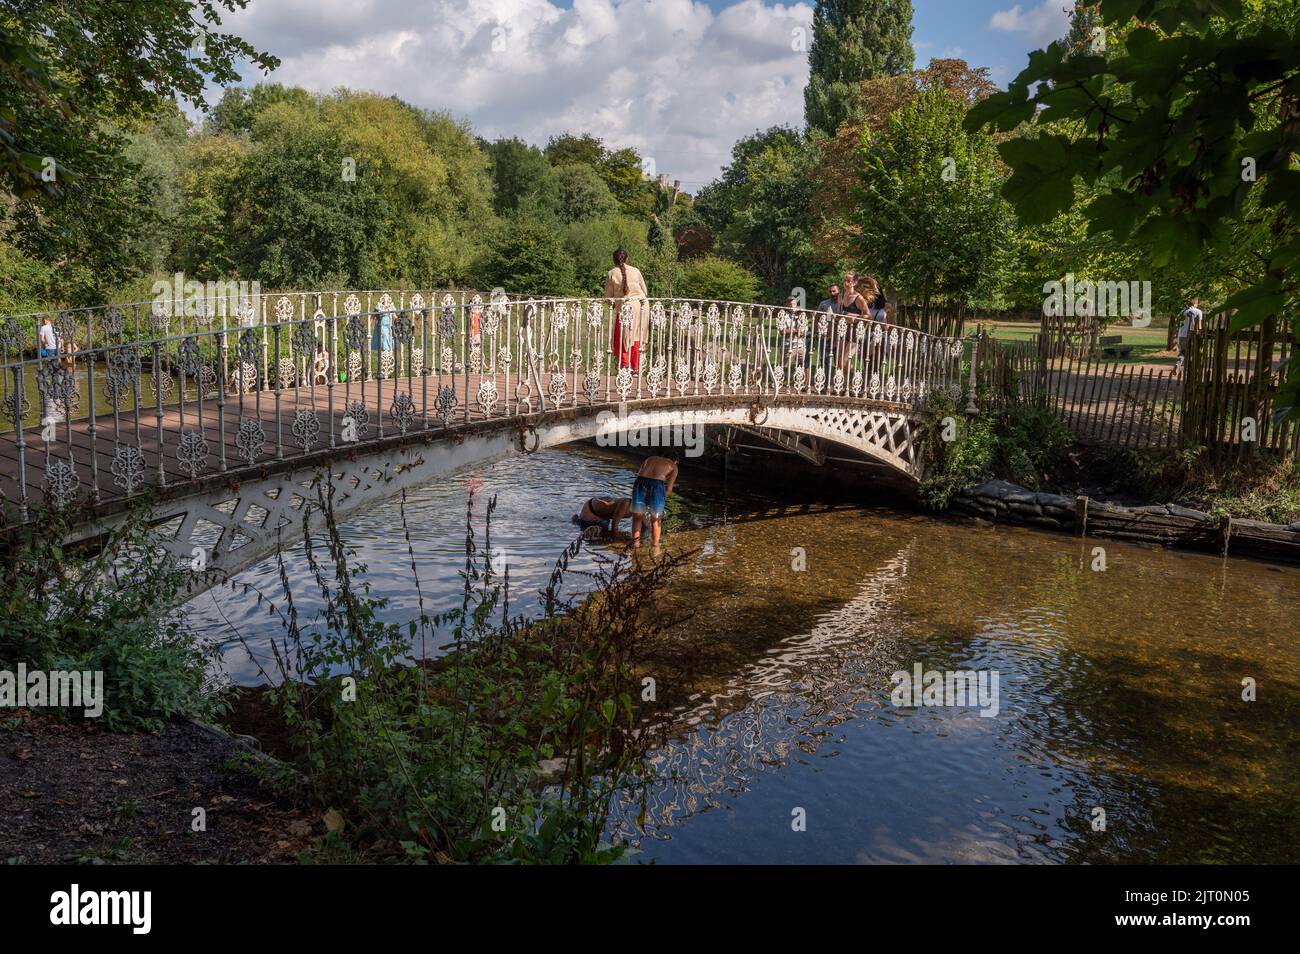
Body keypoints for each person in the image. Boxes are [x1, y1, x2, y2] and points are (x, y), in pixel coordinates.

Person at [605, 248, 650, 372]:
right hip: (642, 306)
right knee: (637, 336)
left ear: (614, 260)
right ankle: (634, 367)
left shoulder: (612, 273)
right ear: (627, 259)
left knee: (622, 338)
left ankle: (625, 366)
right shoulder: (636, 270)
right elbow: (645, 291)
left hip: (627, 308)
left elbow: (608, 298)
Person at [630, 453, 678, 548]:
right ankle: (655, 545)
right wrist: (662, 500)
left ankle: (635, 544)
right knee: (656, 519)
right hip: (657, 485)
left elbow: (639, 474)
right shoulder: (673, 466)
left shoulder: (650, 458)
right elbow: (669, 489)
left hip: (640, 482)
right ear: (676, 461)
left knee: (637, 517)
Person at [1176, 297, 1203, 372]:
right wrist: (1200, 333)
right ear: (1195, 303)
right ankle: (1191, 370)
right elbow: (1199, 326)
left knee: (1183, 352)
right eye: (1197, 303)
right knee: (1194, 352)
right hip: (1193, 335)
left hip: (1183, 335)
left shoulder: (1185, 312)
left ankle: (1178, 364)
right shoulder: (1199, 312)